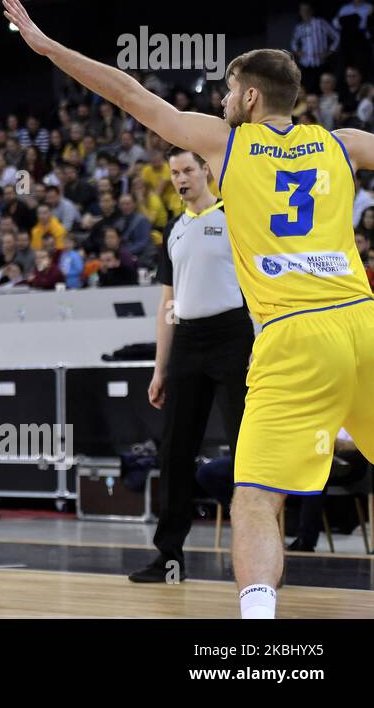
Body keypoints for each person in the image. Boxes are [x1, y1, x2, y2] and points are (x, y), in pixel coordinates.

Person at [5, 0, 374, 619]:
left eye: (229, 92)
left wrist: (48, 48)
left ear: (250, 99)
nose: (222, 101)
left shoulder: (229, 145)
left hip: (293, 334)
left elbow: (130, 96)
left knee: (255, 498)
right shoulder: (342, 144)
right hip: (363, 324)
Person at [129, 149, 252, 584]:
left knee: (246, 449)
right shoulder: (173, 230)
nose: (180, 178)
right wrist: (159, 368)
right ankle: (169, 559)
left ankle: (257, 559)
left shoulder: (235, 215)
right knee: (175, 451)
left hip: (234, 336)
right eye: (174, 172)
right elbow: (168, 304)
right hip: (187, 342)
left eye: (187, 170)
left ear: (206, 172)